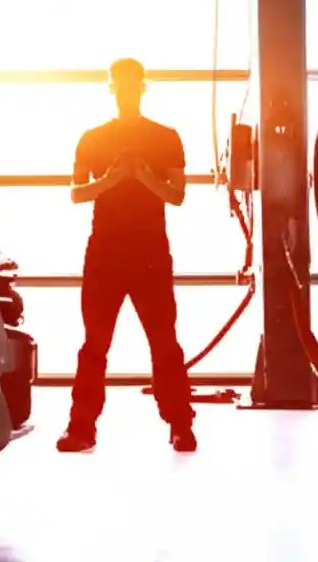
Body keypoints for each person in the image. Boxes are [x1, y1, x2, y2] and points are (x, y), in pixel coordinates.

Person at [57, 57, 197, 453]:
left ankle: (180, 424)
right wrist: (113, 178)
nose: (127, 90)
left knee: (164, 340)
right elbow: (76, 192)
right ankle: (81, 427)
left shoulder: (165, 136)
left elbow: (178, 195)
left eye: (133, 83)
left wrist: (143, 175)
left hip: (150, 251)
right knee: (95, 342)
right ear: (112, 88)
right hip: (105, 251)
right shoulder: (93, 138)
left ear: (142, 86)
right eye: (121, 84)